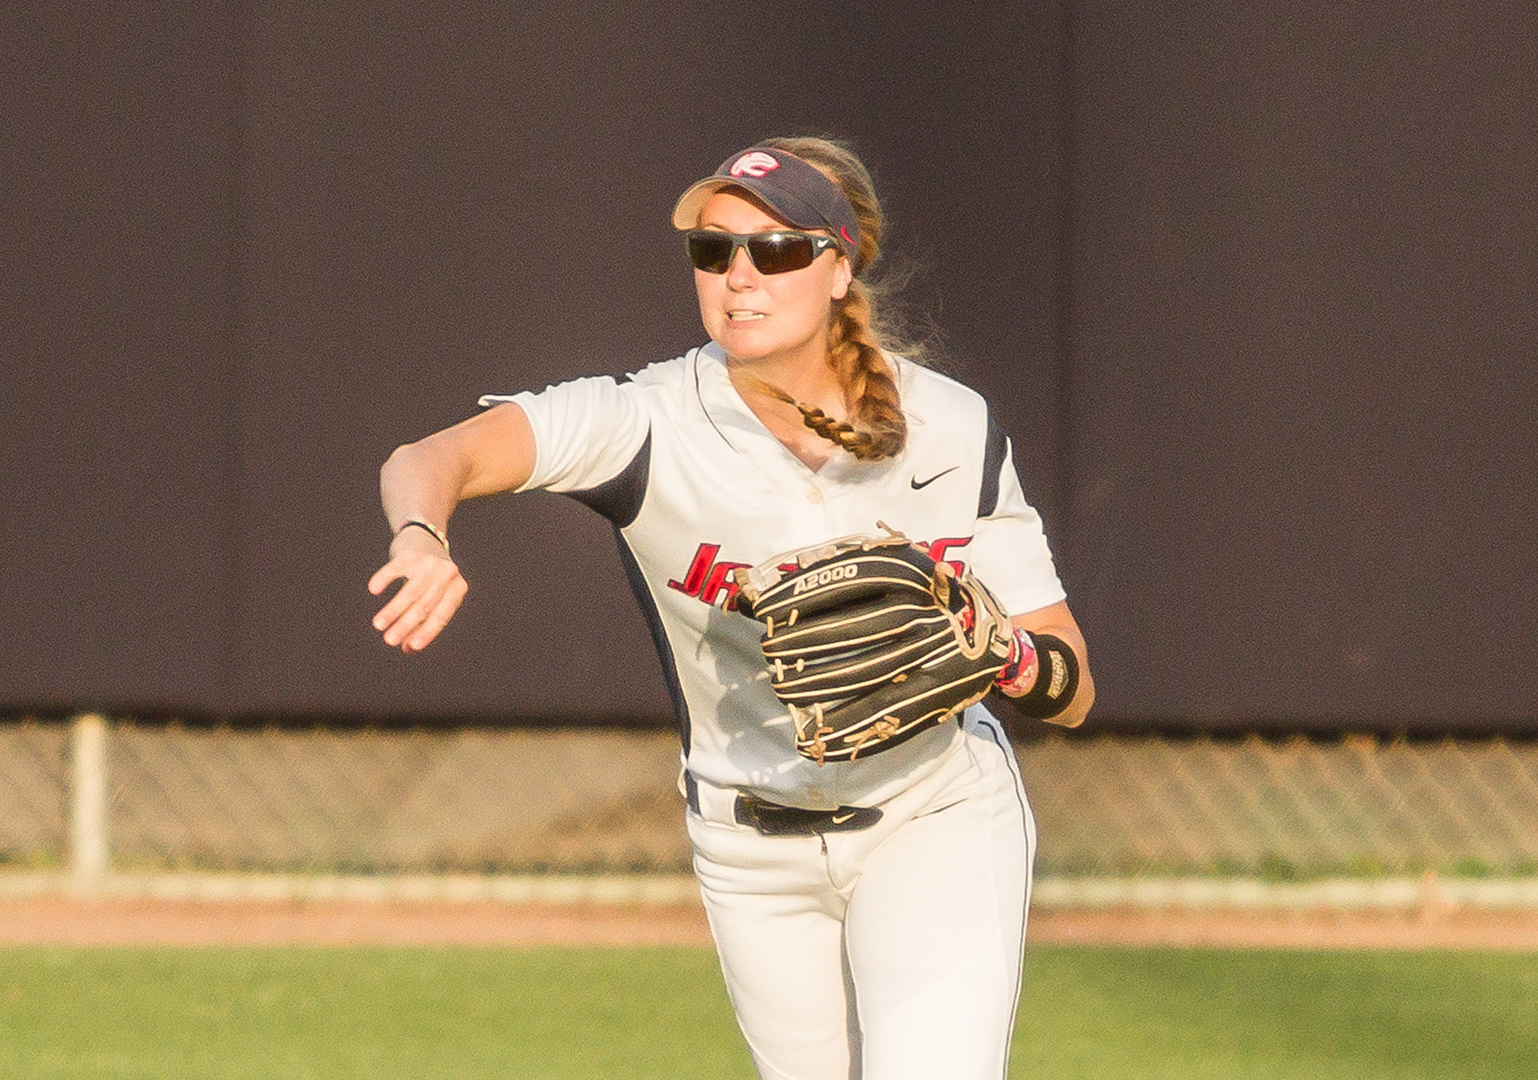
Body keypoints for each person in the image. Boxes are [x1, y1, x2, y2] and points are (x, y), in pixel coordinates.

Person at [369, 136, 1094, 1080]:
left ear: (840, 268)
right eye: (713, 251)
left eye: (776, 250)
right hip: (751, 848)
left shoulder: (950, 426)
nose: (738, 276)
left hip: (936, 813)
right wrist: (421, 534)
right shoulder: (646, 422)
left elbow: (1071, 690)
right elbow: (429, 459)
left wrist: (999, 651)